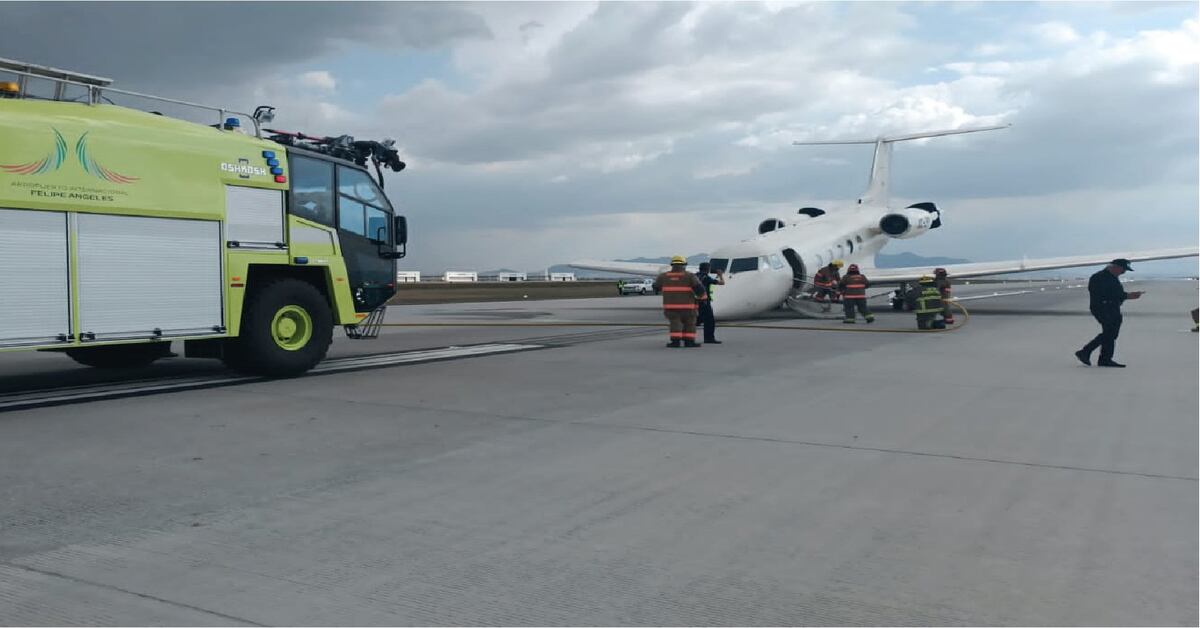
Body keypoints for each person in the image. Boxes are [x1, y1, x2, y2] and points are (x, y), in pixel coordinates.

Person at [1074, 258, 1143, 368]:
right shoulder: (1099, 277)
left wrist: (1125, 297)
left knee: (1111, 333)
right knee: (1109, 332)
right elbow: (1108, 294)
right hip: (1103, 308)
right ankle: (1088, 352)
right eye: (1123, 269)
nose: (1123, 272)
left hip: (1111, 308)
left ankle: (1102, 358)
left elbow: (1115, 294)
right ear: (1115, 267)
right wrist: (1127, 296)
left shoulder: (1110, 277)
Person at [652, 255, 704, 348]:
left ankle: (675, 342)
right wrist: (702, 298)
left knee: (675, 323)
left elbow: (655, 287)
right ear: (684, 265)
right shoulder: (690, 276)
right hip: (688, 307)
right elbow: (699, 289)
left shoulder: (663, 276)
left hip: (670, 307)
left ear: (672, 265)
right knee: (690, 324)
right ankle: (689, 342)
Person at [695, 262, 726, 344]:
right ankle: (709, 338)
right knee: (709, 321)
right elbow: (722, 283)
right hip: (704, 302)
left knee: (698, 319)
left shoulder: (695, 276)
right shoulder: (706, 277)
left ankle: (685, 336)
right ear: (708, 269)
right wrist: (720, 275)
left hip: (694, 301)